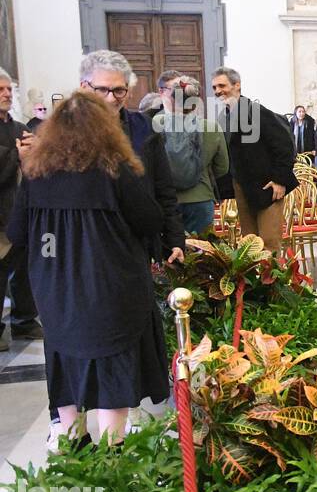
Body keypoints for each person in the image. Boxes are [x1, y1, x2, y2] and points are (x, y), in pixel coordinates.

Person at [6, 92, 168, 444]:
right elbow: (150, 218)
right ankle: (114, 452)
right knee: (113, 364)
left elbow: (17, 233)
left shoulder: (36, 175)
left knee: (64, 357)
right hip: (111, 286)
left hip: (56, 288)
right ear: (105, 129)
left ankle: (72, 442)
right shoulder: (115, 171)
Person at [81, 50, 185, 266]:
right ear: (84, 88)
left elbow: (163, 188)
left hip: (137, 242)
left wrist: (175, 239)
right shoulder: (66, 133)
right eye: (102, 89)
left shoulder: (144, 127)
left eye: (119, 90)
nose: (111, 98)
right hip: (89, 247)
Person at [212, 65, 298, 252]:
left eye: (222, 86)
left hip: (268, 186)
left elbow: (285, 145)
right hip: (242, 186)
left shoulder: (256, 111)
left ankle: (272, 281)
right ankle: (253, 282)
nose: (218, 91)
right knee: (249, 243)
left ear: (237, 86)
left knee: (268, 243)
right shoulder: (223, 117)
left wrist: (280, 180)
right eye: (215, 88)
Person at [157, 74, 228, 235]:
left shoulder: (157, 125)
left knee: (171, 254)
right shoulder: (211, 127)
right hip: (201, 198)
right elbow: (222, 167)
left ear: (172, 99)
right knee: (201, 254)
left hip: (167, 201)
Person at [0, 68, 40, 349]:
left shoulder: (17, 127)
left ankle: (24, 321)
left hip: (21, 212)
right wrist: (17, 154)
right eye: (0, 90)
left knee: (26, 271)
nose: (6, 94)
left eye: (8, 90)